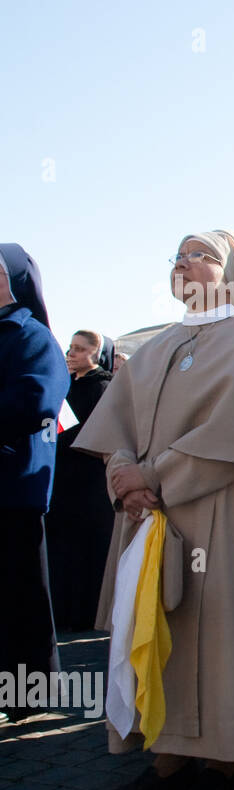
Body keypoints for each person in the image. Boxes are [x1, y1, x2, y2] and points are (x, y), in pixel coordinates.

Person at [74, 230, 234, 790]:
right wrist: (123, 475)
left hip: (222, 513)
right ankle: (166, 754)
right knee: (161, 632)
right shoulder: (158, 346)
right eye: (178, 256)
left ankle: (222, 759)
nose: (183, 262)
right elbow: (117, 429)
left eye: (199, 255)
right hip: (145, 514)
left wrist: (153, 475)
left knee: (218, 635)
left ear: (233, 270)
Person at [0, 244, 70, 723]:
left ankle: (26, 696)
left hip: (12, 488)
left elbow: (36, 401)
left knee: (18, 595)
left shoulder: (31, 335)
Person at [47, 329, 116, 632]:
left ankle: (86, 614)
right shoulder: (66, 384)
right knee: (63, 550)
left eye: (78, 349)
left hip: (88, 482)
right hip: (64, 480)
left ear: (95, 353)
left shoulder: (101, 387)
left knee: (86, 549)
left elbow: (88, 432)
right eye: (69, 348)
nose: (71, 354)